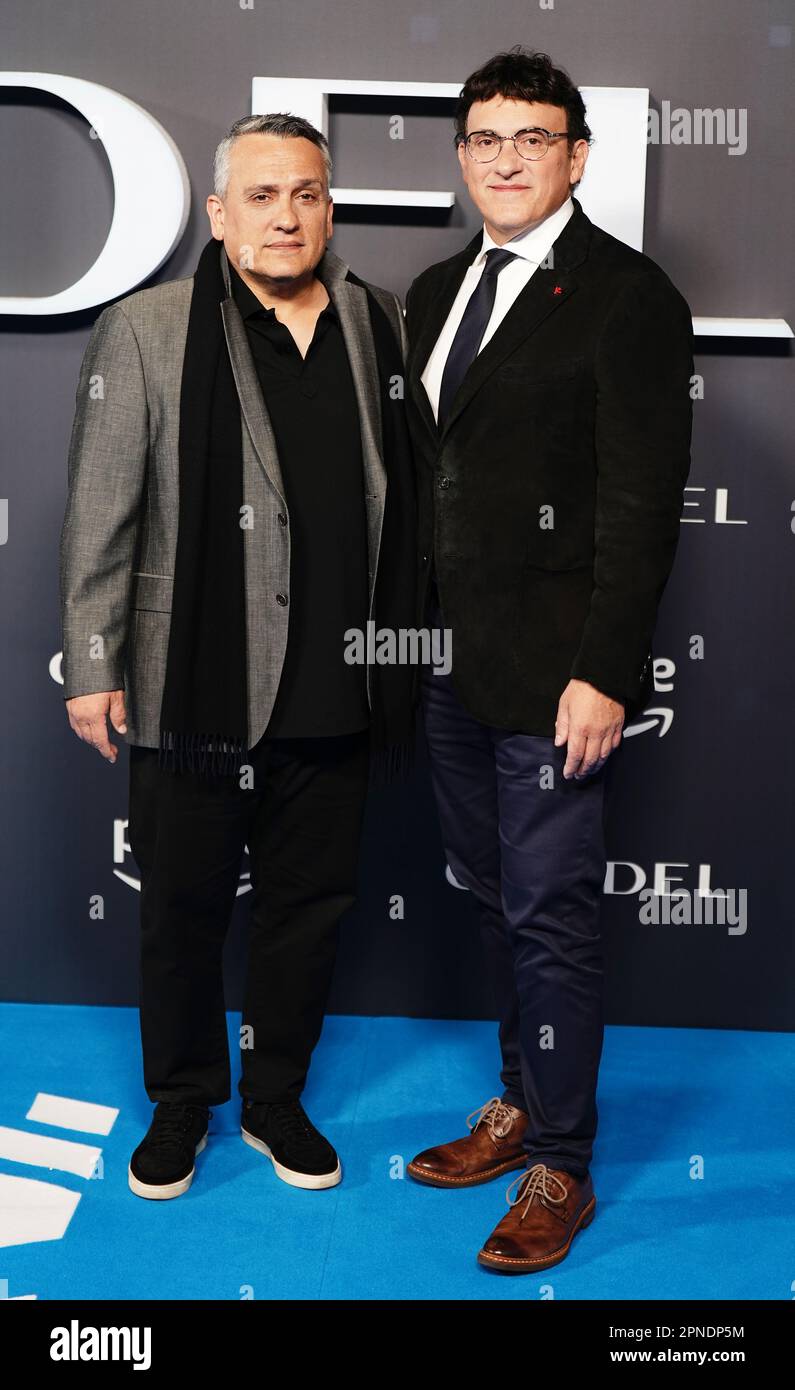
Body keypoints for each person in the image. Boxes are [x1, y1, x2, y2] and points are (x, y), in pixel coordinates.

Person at [59, 113, 416, 1200]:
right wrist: (93, 660)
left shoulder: (376, 323)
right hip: (193, 677)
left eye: (306, 193)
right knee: (181, 905)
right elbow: (98, 517)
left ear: (330, 206)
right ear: (218, 213)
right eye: (261, 196)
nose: (286, 216)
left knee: (310, 906)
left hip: (339, 676)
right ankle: (180, 1102)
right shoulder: (148, 328)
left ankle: (273, 1097)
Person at [403, 48, 693, 1272]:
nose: (506, 158)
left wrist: (606, 671)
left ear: (577, 154)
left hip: (559, 676)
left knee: (555, 917)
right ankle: (519, 1100)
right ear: (462, 155)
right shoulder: (430, 290)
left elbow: (640, 503)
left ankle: (561, 1163)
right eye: (485, 138)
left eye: (532, 137)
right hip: (445, 672)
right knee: (489, 897)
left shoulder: (628, 296)